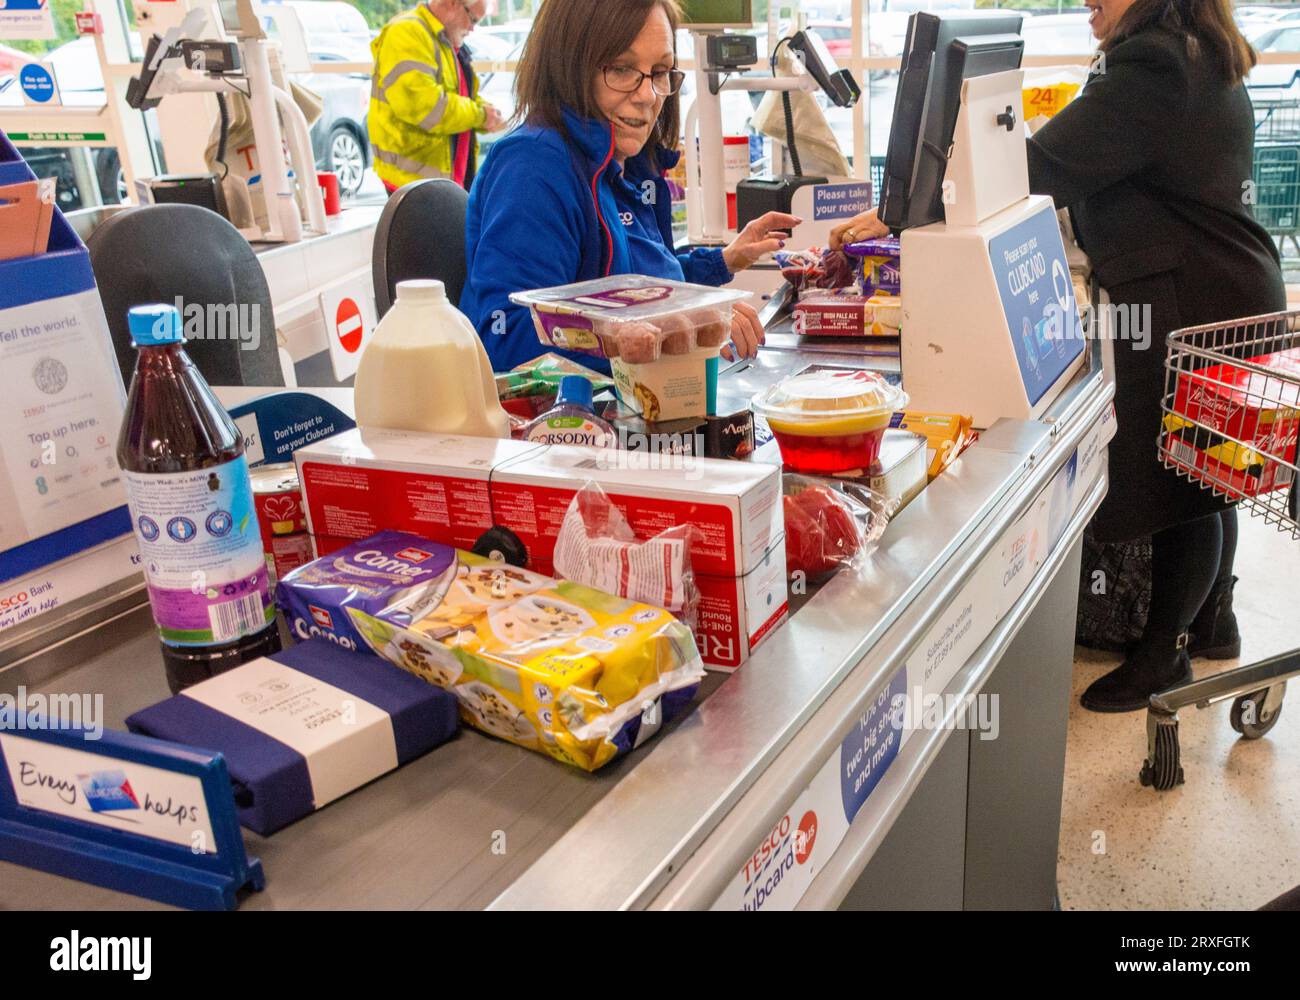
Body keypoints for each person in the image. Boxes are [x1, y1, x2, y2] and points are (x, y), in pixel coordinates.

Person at [827, 0, 1282, 711]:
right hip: (1224, 282)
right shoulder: (1194, 47)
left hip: (1192, 293)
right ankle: (1212, 622)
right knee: (1206, 462)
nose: (1087, 2)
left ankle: (1165, 659)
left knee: (1182, 480)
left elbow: (1040, 165)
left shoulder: (1153, 63)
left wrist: (904, 206)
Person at [459, 0, 799, 373]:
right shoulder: (534, 167)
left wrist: (721, 263)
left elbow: (643, 291)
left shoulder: (622, 164)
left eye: (659, 72)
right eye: (621, 69)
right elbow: (505, 338)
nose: (648, 95)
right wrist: (679, 324)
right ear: (569, 66)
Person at [368, 0, 507, 193]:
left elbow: (460, 94)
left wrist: (487, 112)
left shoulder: (444, 39)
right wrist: (480, 116)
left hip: (442, 183)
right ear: (452, 3)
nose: (472, 28)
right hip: (414, 186)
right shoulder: (407, 33)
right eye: (473, 19)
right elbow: (425, 107)